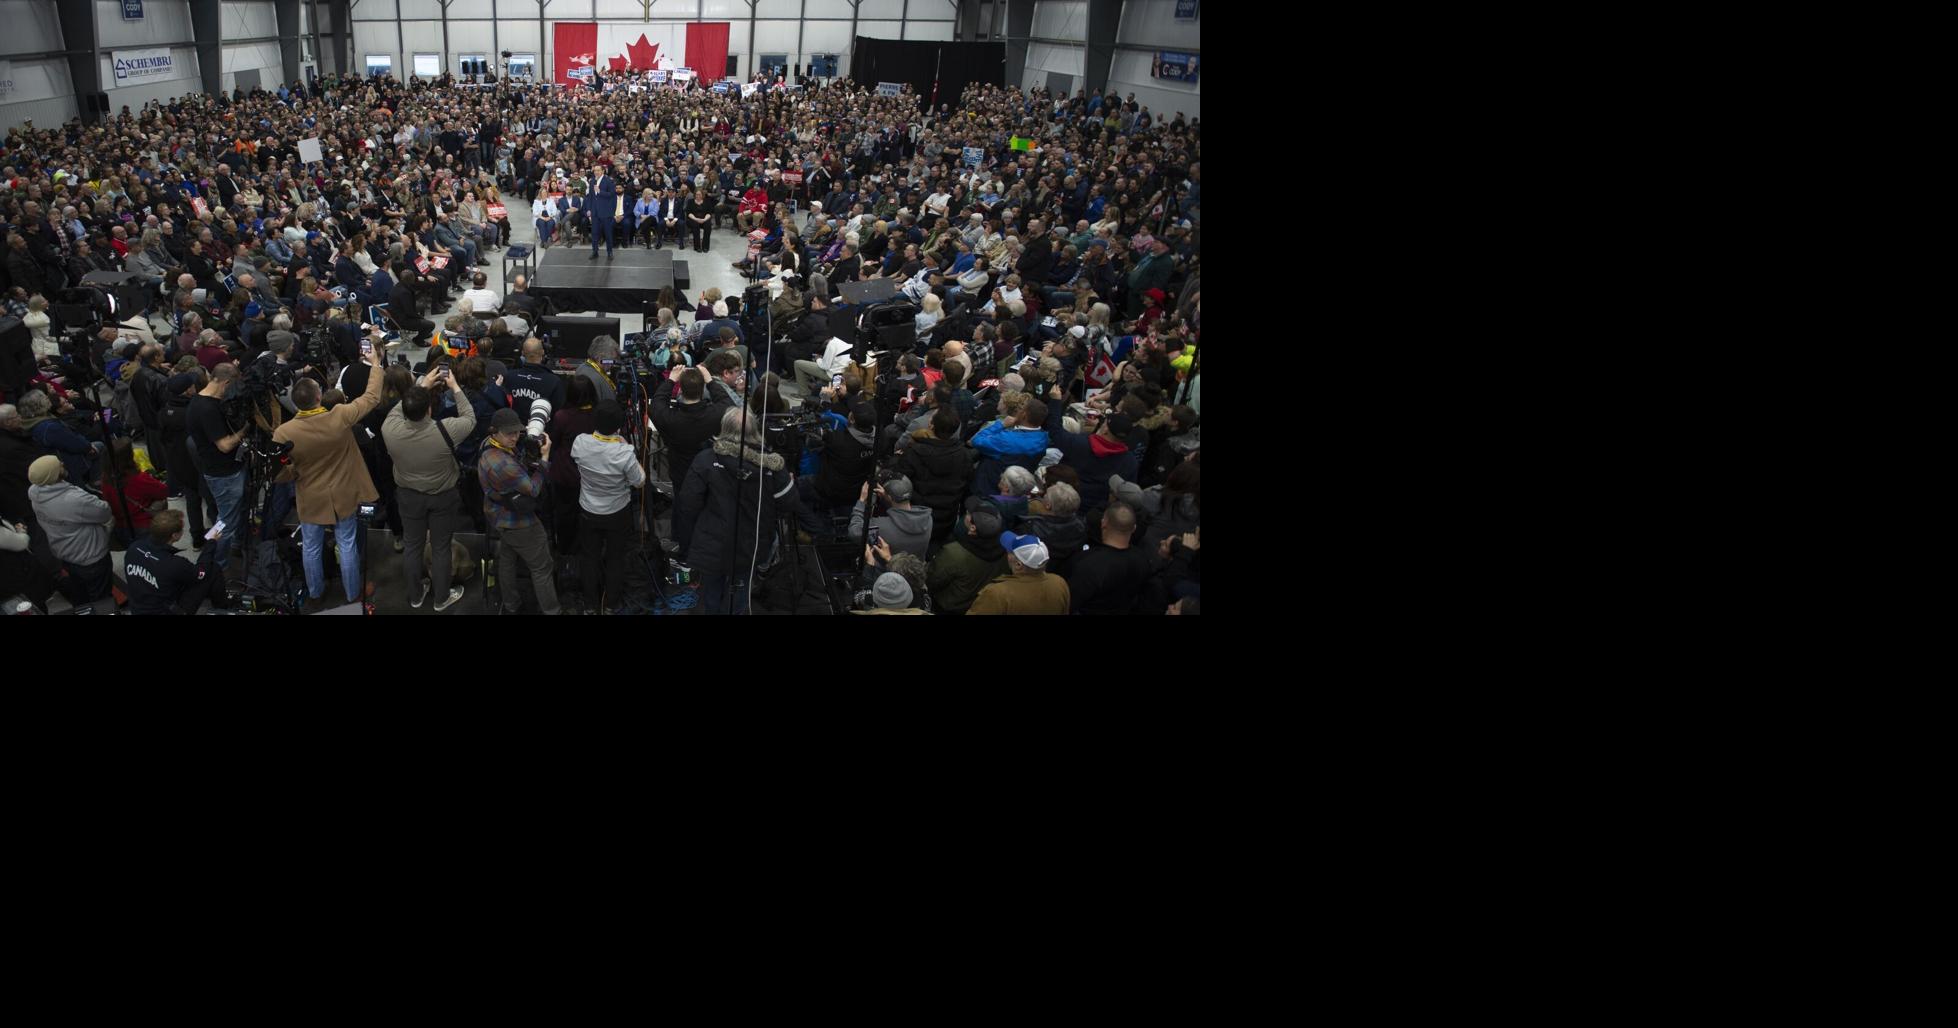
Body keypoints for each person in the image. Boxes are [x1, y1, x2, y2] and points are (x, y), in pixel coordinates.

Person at [271, 352, 385, 610]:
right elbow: (371, 397)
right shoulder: (339, 416)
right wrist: (376, 364)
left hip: (310, 495)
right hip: (344, 492)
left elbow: (278, 473)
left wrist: (294, 472)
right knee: (346, 543)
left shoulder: (284, 432)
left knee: (310, 546)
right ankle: (352, 593)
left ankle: (315, 592)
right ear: (319, 396)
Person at [675, 407, 795, 616]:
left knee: (712, 588)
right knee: (740, 591)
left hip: (712, 544)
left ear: (724, 428)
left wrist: (690, 541)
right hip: (751, 544)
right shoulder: (773, 466)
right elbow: (789, 504)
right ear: (754, 431)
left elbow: (687, 504)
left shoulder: (705, 459)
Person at [382, 364, 476, 612]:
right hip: (443, 497)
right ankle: (441, 598)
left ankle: (415, 595)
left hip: (408, 497)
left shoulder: (389, 429)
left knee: (412, 547)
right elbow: (470, 417)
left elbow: (398, 409)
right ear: (430, 409)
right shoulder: (446, 430)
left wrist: (421, 386)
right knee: (441, 546)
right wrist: (454, 386)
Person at [479, 407, 560, 615]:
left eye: (517, 432)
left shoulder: (488, 446)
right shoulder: (503, 464)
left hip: (498, 515)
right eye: (509, 434)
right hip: (517, 522)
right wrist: (544, 459)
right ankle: (552, 610)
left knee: (507, 559)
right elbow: (532, 489)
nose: (515, 437)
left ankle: (511, 604)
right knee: (541, 566)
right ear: (494, 432)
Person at [571, 400, 644, 614]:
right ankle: (611, 604)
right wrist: (627, 449)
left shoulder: (579, 443)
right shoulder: (624, 453)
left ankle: (590, 605)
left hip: (588, 510)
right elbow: (639, 481)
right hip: (616, 513)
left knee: (589, 557)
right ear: (619, 426)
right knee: (615, 558)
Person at [185, 363, 250, 568]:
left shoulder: (200, 401)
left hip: (223, 471)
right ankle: (214, 562)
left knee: (230, 517)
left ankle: (233, 546)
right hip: (224, 474)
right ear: (226, 383)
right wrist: (245, 430)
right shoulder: (207, 409)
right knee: (224, 523)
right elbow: (224, 445)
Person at [27, 455, 114, 605]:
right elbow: (104, 512)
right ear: (52, 475)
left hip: (65, 554)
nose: (62, 463)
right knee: (102, 600)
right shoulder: (74, 500)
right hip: (90, 557)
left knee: (80, 594)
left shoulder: (35, 493)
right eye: (58, 465)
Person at [122, 510, 230, 614]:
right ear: (174, 535)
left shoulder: (134, 548)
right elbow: (202, 572)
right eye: (182, 529)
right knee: (213, 569)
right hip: (166, 610)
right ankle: (223, 609)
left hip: (138, 608)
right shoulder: (174, 564)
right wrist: (211, 543)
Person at [651, 366, 728, 502]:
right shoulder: (715, 414)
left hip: (681, 473)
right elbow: (726, 402)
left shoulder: (670, 419)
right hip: (709, 471)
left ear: (681, 389)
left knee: (682, 507)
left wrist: (671, 380)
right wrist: (710, 381)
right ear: (702, 389)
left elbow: (657, 403)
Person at [926, 498, 1009, 616]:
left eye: (969, 514)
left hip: (948, 606)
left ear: (973, 528)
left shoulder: (954, 553)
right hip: (976, 604)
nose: (967, 513)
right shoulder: (1007, 550)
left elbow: (932, 579)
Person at [1063, 501, 1150, 614]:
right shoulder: (1143, 559)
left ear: (1103, 523)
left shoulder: (1087, 563)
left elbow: (1069, 602)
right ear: (1134, 528)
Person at [967, 531, 1071, 615]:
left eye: (1009, 552)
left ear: (1018, 565)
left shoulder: (997, 593)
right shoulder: (1059, 583)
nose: (1006, 555)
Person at [849, 475, 933, 565]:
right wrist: (888, 501)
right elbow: (904, 516)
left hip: (886, 574)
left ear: (890, 497)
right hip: (914, 572)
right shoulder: (927, 519)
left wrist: (861, 501)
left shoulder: (880, 526)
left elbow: (855, 532)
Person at [588, 165, 619, 260]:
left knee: (608, 233)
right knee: (594, 233)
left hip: (606, 212)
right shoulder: (592, 181)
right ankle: (595, 251)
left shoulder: (609, 181)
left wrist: (600, 191)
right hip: (595, 212)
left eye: (598, 170)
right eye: (595, 170)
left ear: (603, 171)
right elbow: (591, 197)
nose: (596, 172)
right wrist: (590, 209)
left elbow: (612, 194)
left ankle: (609, 252)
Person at [576, 337, 619, 404]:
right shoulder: (592, 378)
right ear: (600, 357)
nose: (612, 364)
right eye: (611, 359)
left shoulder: (584, 367)